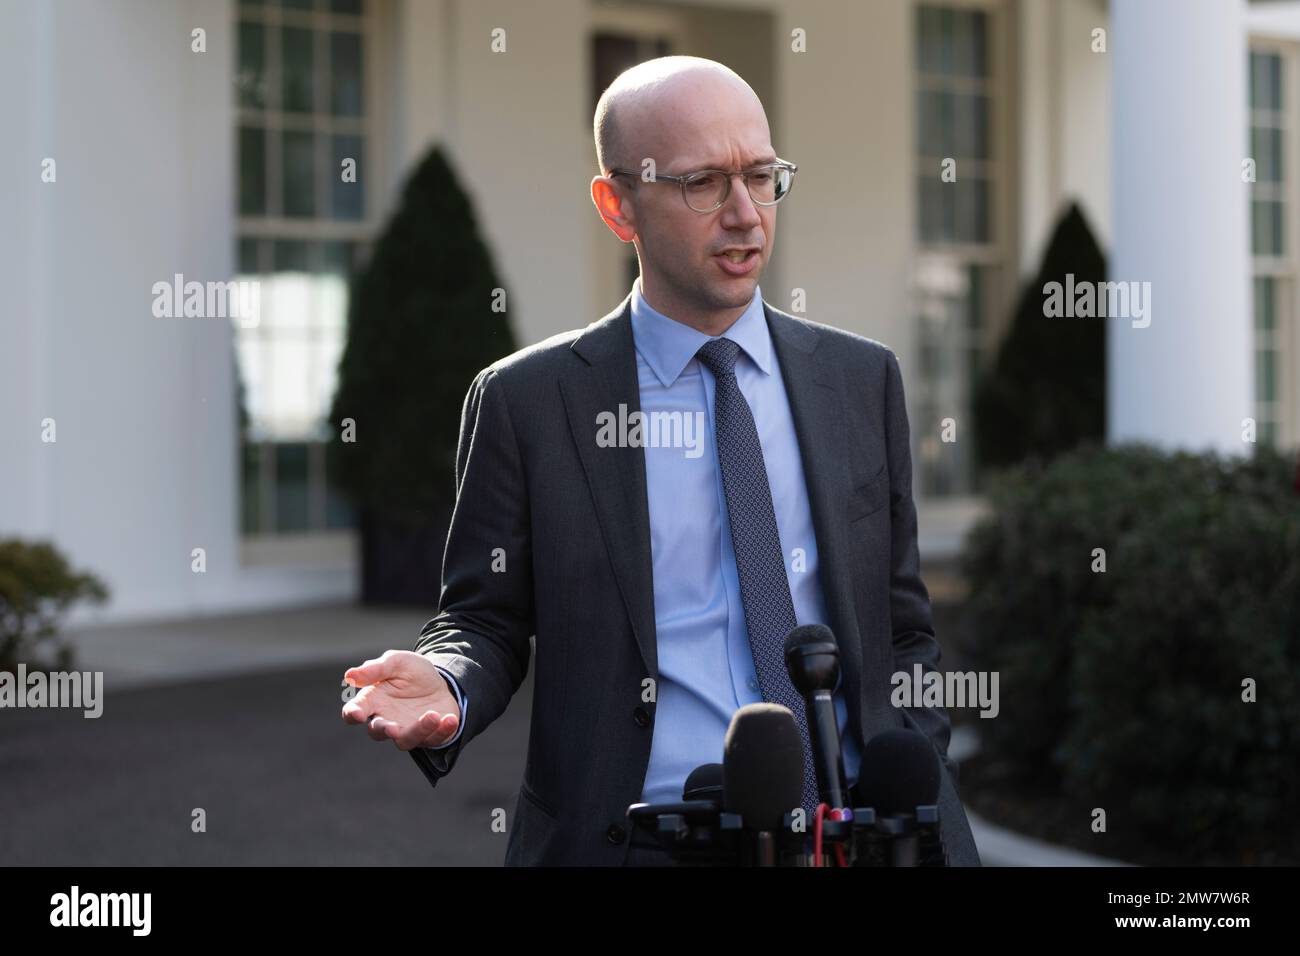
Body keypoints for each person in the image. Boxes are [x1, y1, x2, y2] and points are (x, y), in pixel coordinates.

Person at [341, 55, 981, 866]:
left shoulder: (860, 380)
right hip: (641, 842)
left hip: (849, 838)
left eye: (761, 175)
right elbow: (486, 617)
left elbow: (902, 626)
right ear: (618, 206)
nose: (745, 215)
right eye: (703, 183)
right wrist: (450, 681)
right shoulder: (530, 402)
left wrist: (914, 771)